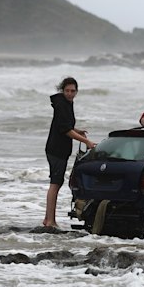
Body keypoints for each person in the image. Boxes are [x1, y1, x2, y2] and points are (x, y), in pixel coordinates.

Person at [43, 76, 96, 229]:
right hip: (56, 150)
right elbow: (65, 130)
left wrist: (77, 130)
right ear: (62, 90)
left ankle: (47, 219)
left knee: (56, 183)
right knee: (55, 183)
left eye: (73, 91)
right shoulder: (61, 105)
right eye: (67, 90)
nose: (70, 93)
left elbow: (66, 125)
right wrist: (86, 141)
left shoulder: (67, 103)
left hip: (60, 149)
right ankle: (50, 221)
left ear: (76, 92)